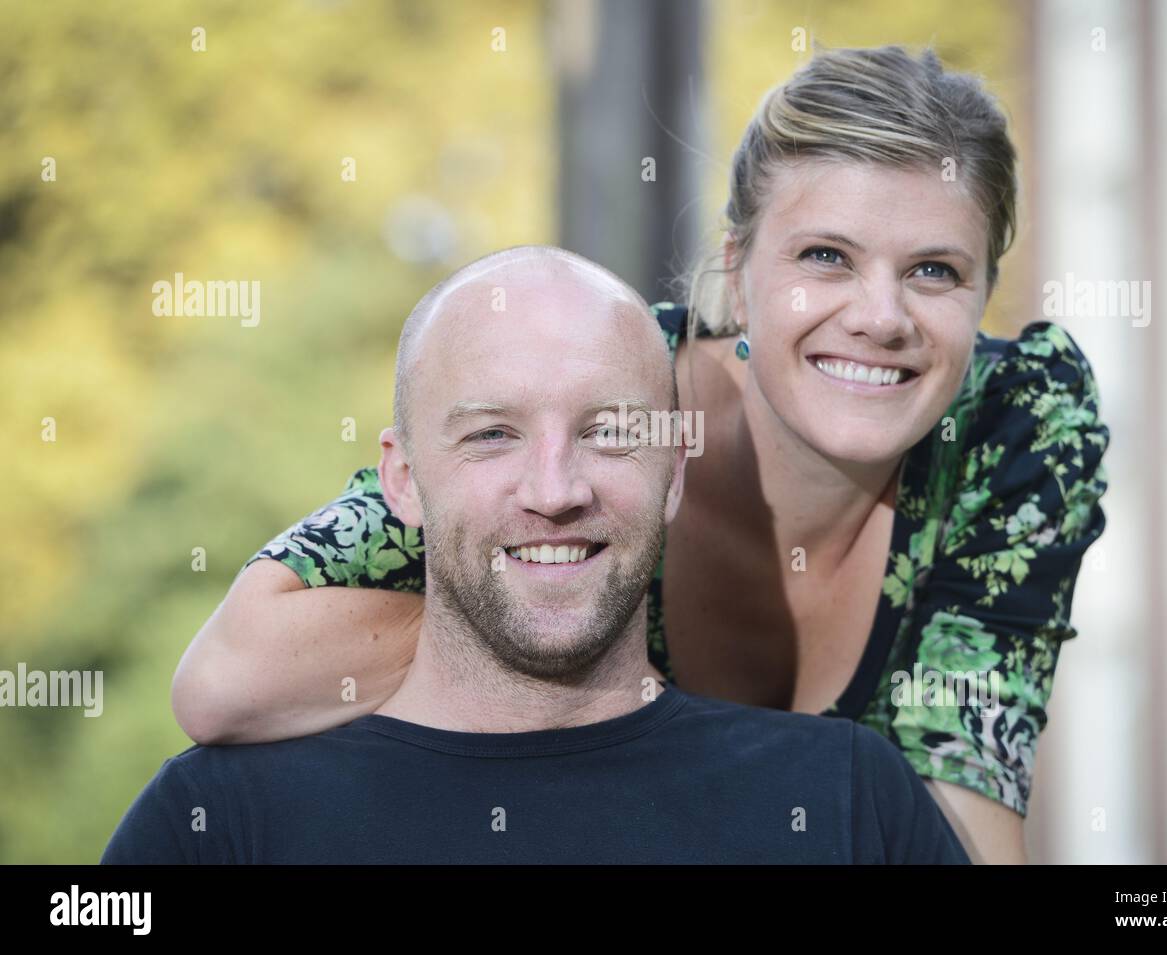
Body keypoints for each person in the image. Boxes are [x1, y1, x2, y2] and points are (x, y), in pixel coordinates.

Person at [171, 46, 1110, 863]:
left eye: (934, 271)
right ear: (738, 276)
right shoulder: (594, 392)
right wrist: (533, 609)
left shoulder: (1014, 424)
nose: (880, 316)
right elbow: (225, 678)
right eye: (826, 256)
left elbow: (964, 787)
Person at [103, 248, 970, 864]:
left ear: (673, 473)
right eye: (492, 434)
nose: (554, 489)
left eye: (608, 432)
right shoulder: (219, 824)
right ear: (400, 479)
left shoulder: (843, 800)